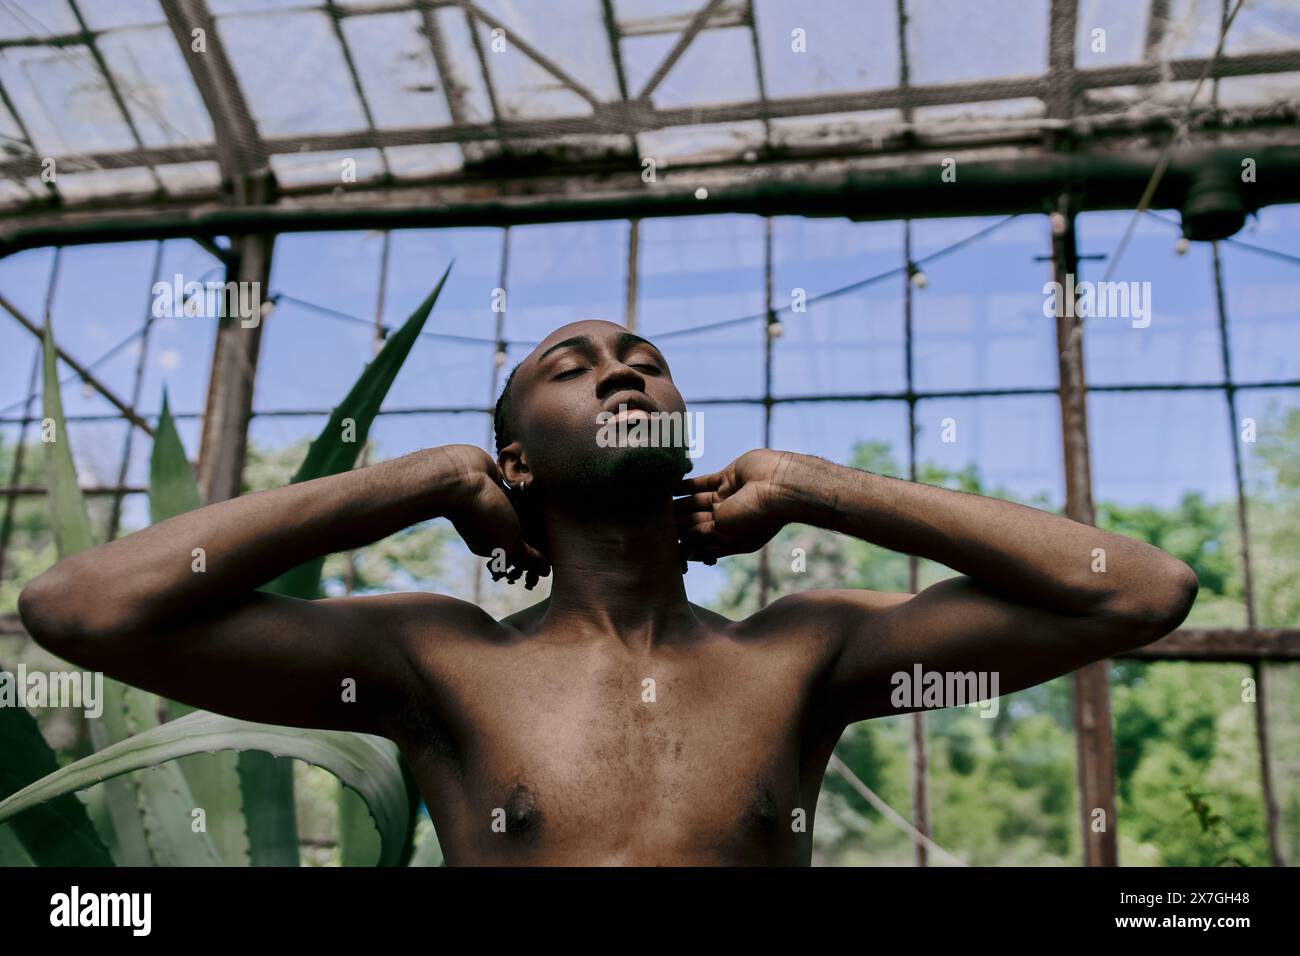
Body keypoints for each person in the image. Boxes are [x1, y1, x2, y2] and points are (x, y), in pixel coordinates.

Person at [18, 319, 1198, 866]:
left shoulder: (802, 652)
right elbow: (81, 607)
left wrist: (810, 484)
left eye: (643, 360)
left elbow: (1136, 591)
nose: (622, 368)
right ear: (514, 456)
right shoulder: (436, 659)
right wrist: (432, 477)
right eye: (568, 367)